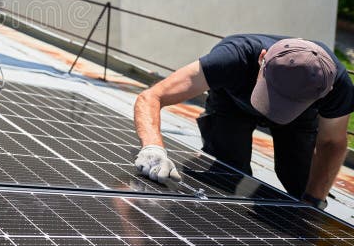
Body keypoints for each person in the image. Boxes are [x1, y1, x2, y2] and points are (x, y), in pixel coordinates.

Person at [133, 33, 353, 209]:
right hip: (232, 105)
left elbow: (332, 143)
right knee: (228, 171)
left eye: (284, 102)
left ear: (326, 92)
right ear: (262, 58)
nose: (272, 109)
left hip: (298, 120)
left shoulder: (335, 84)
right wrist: (153, 147)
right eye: (272, 94)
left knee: (300, 181)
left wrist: (313, 200)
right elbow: (152, 96)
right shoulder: (233, 57)